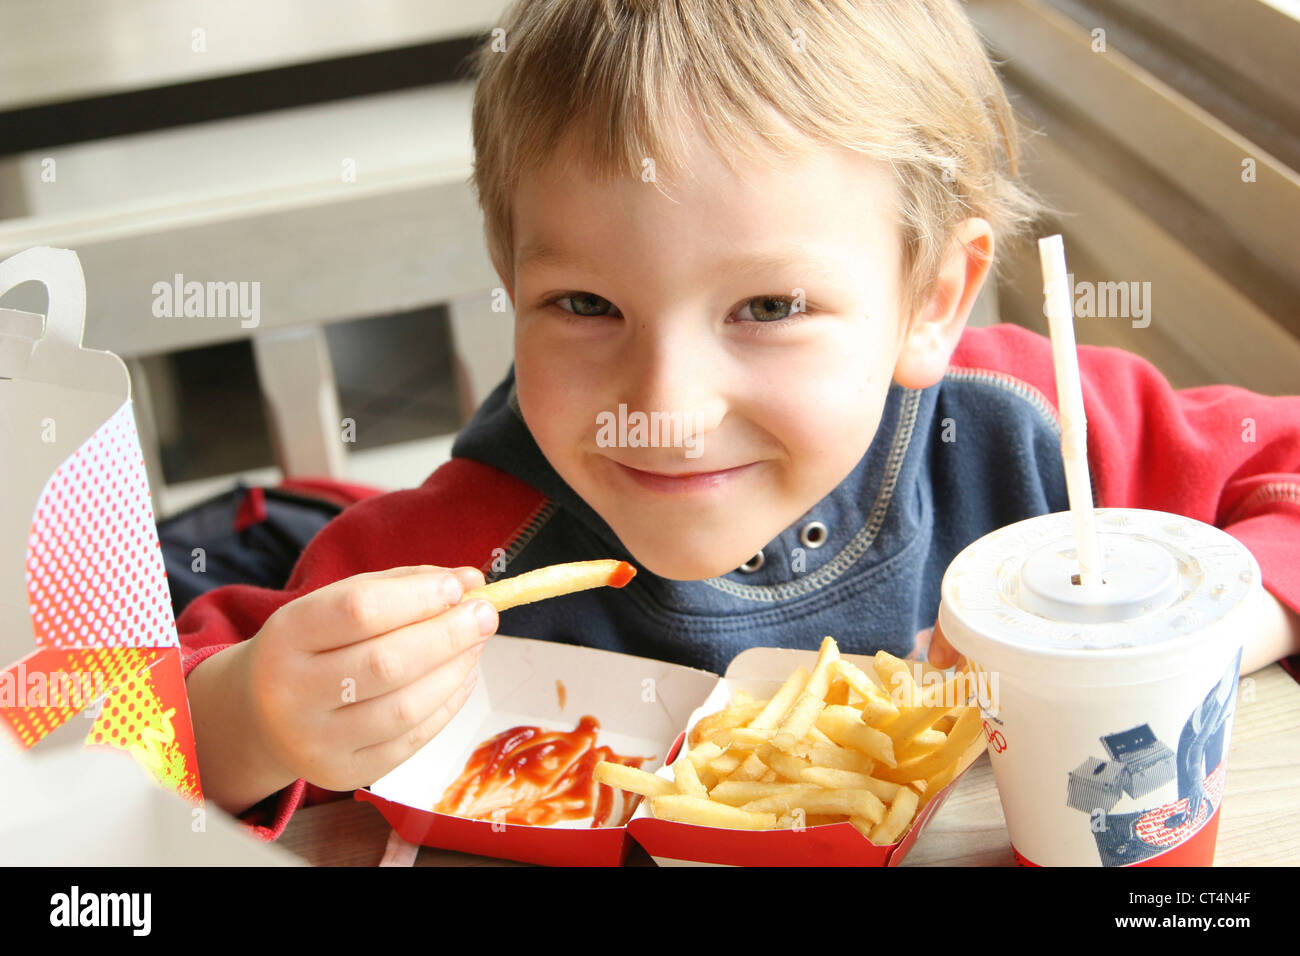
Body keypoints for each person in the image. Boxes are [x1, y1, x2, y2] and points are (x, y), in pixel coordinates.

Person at [179, 0, 1300, 840]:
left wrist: (1198, 641)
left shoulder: (1027, 430)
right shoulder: (460, 549)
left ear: (933, 302)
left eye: (767, 307)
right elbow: (71, 724)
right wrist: (251, 718)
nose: (665, 409)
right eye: (584, 304)